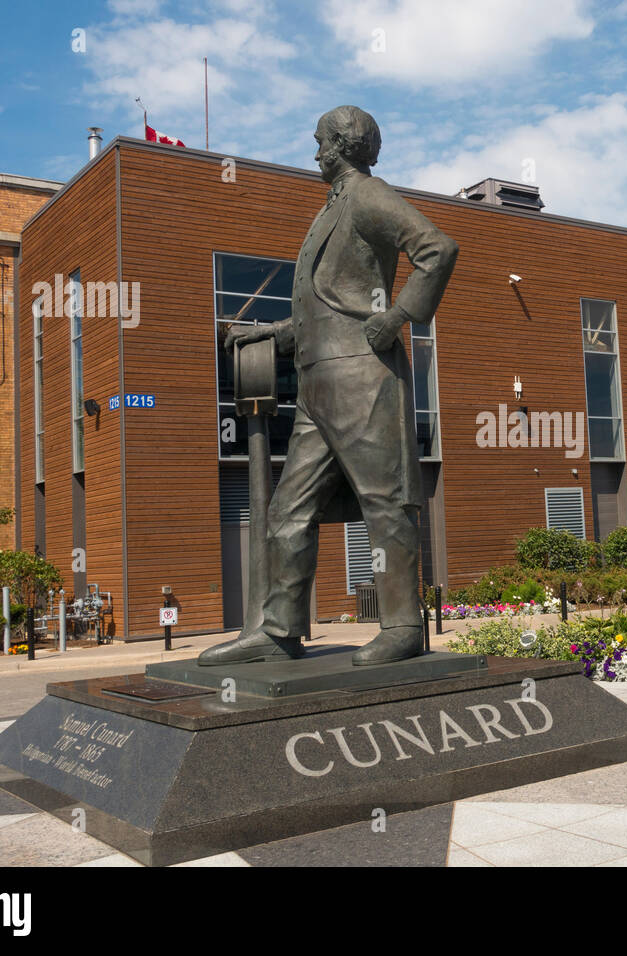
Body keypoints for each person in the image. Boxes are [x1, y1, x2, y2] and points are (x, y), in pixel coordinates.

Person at [199, 105, 457, 667]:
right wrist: (271, 332)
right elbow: (325, 307)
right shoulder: (331, 208)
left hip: (363, 376)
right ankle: (278, 630)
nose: (314, 151)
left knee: (384, 505)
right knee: (288, 510)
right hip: (317, 388)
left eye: (320, 141)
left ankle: (403, 626)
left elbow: (437, 248)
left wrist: (398, 315)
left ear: (341, 145)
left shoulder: (367, 194)